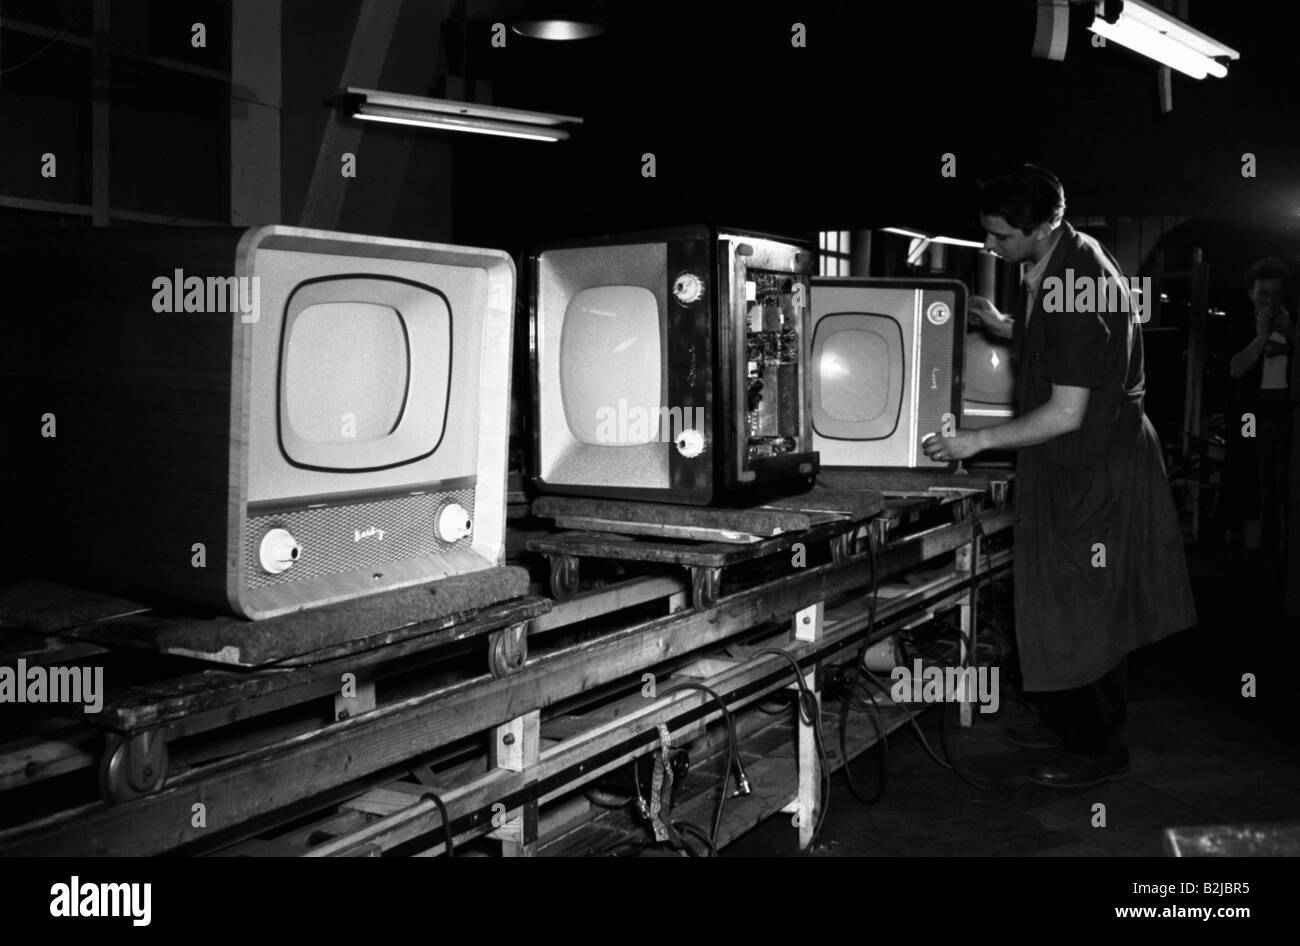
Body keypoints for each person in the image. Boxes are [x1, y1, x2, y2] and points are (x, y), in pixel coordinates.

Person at [921, 165, 1197, 788]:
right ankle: (1064, 721)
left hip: (1093, 464)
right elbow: (1070, 347)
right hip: (1074, 459)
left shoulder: (1076, 275)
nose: (992, 247)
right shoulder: (1065, 257)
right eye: (987, 234)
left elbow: (1067, 410)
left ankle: (1099, 748)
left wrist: (975, 440)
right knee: (1057, 597)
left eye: (1002, 238)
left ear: (1043, 226)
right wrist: (1004, 327)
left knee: (1087, 606)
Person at [1224, 258, 1294, 581]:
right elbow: (1237, 368)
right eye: (1262, 293)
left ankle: (1283, 554)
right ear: (1251, 293)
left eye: (1275, 294)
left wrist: (1289, 333)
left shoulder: (1291, 322)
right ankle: (1251, 554)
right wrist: (1262, 335)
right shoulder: (1241, 323)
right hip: (1252, 410)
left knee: (1284, 478)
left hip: (1284, 409)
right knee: (1251, 469)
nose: (1269, 300)